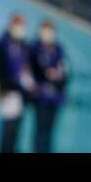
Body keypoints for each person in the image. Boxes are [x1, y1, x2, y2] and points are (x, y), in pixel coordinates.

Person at [0, 14, 35, 153]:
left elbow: (27, 68)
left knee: (16, 130)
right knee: (8, 129)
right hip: (8, 92)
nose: (20, 28)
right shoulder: (3, 43)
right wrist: (2, 89)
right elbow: (0, 67)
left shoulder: (24, 45)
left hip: (21, 92)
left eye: (22, 25)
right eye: (17, 25)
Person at [29, 21, 68, 153]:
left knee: (50, 131)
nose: (48, 34)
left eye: (50, 31)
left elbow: (64, 71)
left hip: (55, 97)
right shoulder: (34, 49)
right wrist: (46, 74)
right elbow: (33, 70)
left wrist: (57, 76)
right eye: (45, 31)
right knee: (41, 130)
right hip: (41, 96)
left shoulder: (58, 49)